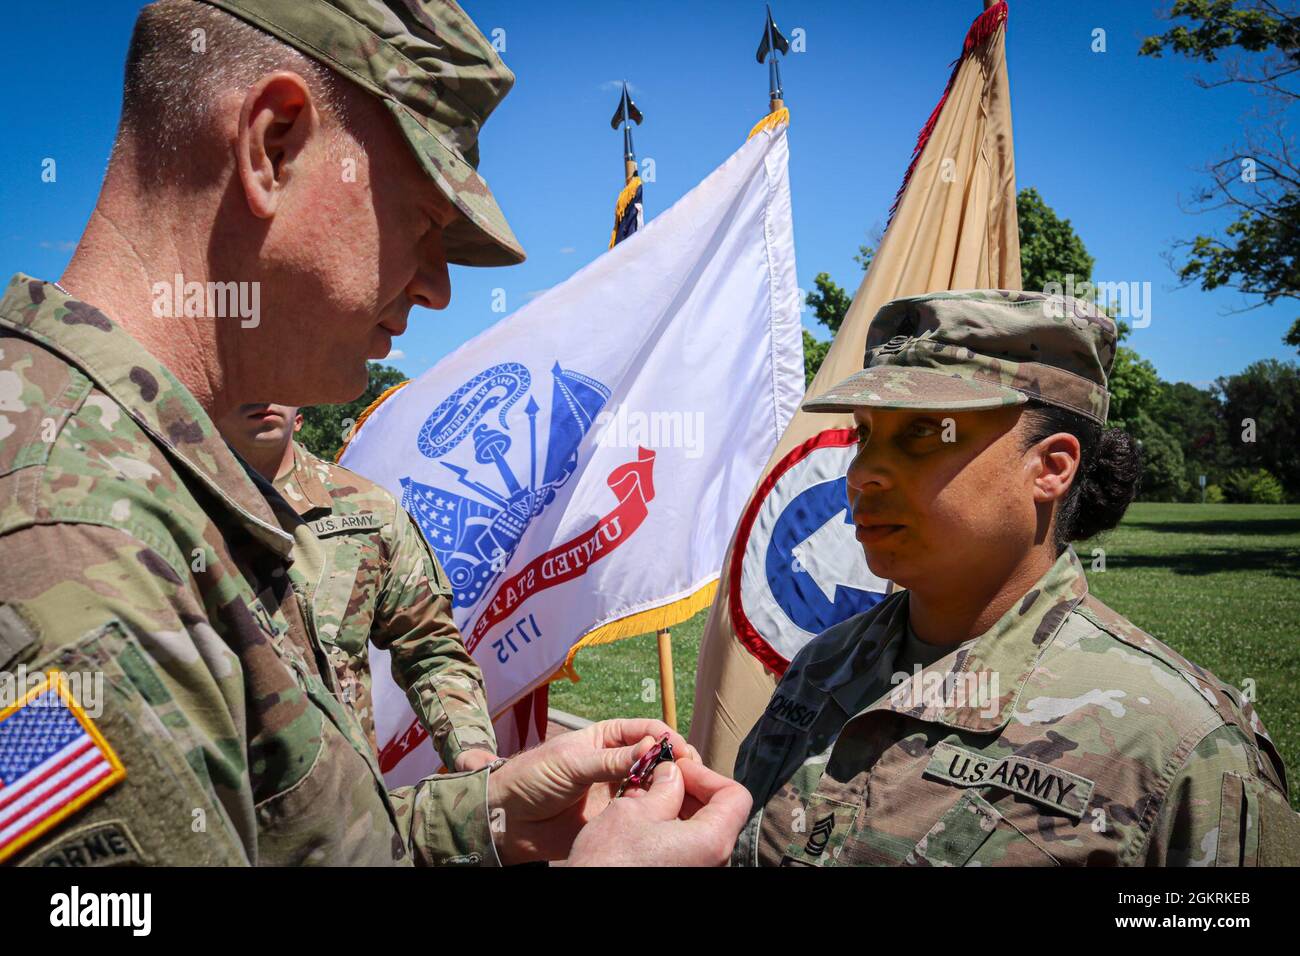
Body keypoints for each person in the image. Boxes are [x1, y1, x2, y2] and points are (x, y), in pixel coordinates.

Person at [0, 0, 747, 867]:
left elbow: (280, 837)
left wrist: (484, 818)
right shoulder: (74, 539)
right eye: (424, 224)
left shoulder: (142, 477)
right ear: (272, 146)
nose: (436, 292)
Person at [732, 290, 1300, 866]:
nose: (863, 474)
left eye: (924, 434)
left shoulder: (1175, 747)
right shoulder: (822, 666)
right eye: (866, 436)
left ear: (1051, 468)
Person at [217, 402, 497, 770]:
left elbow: (429, 650)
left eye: (275, 368)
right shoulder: (157, 498)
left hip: (345, 801)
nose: (264, 392)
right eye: (244, 367)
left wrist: (470, 747)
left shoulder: (368, 512)